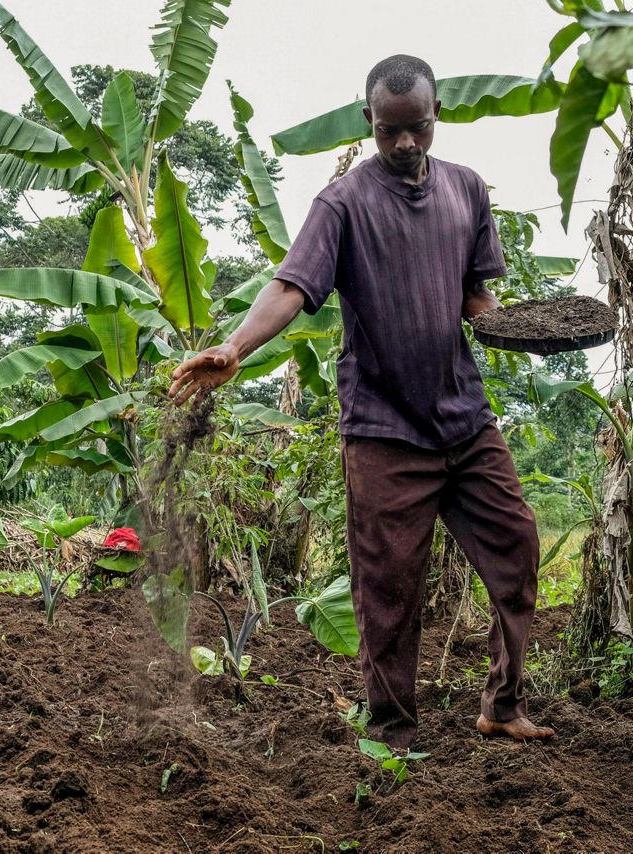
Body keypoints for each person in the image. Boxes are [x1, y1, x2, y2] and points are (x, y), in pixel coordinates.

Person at [169, 55, 555, 746]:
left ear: (437, 116)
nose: (405, 143)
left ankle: (502, 705)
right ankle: (392, 734)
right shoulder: (343, 204)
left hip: (465, 421)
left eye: (418, 128)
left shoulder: (466, 189)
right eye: (388, 130)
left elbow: (474, 295)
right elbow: (291, 286)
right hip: (383, 431)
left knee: (518, 549)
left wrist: (522, 328)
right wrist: (235, 346)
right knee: (388, 590)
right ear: (367, 120)